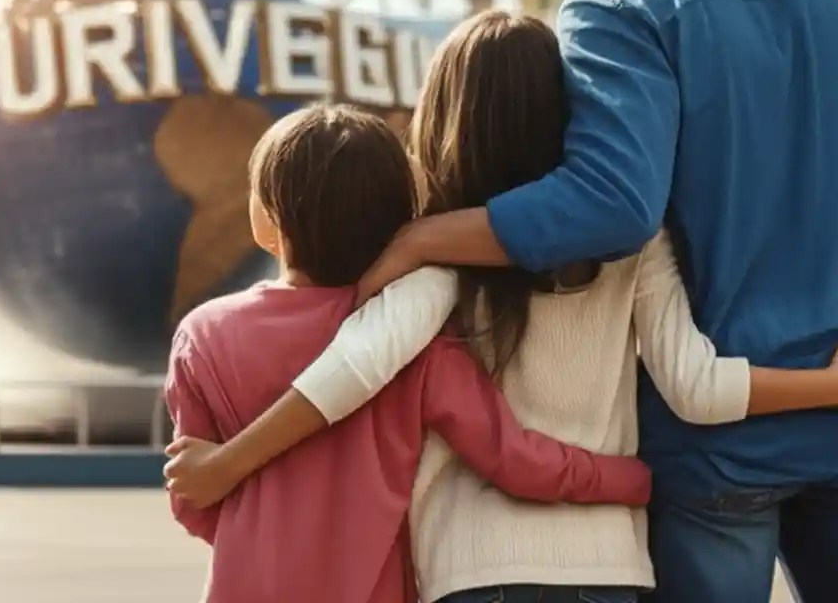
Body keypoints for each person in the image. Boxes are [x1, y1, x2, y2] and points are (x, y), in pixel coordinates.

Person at [166, 0, 838, 601]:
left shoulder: (434, 248)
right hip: (609, 568)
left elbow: (358, 364)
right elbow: (696, 387)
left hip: (473, 570)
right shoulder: (637, 242)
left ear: (443, 114)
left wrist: (229, 465)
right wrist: (825, 387)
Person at [166, 103, 652, 603]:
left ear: (268, 216)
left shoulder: (203, 336)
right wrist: (635, 478)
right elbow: (514, 459)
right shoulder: (414, 338)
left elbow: (193, 499)